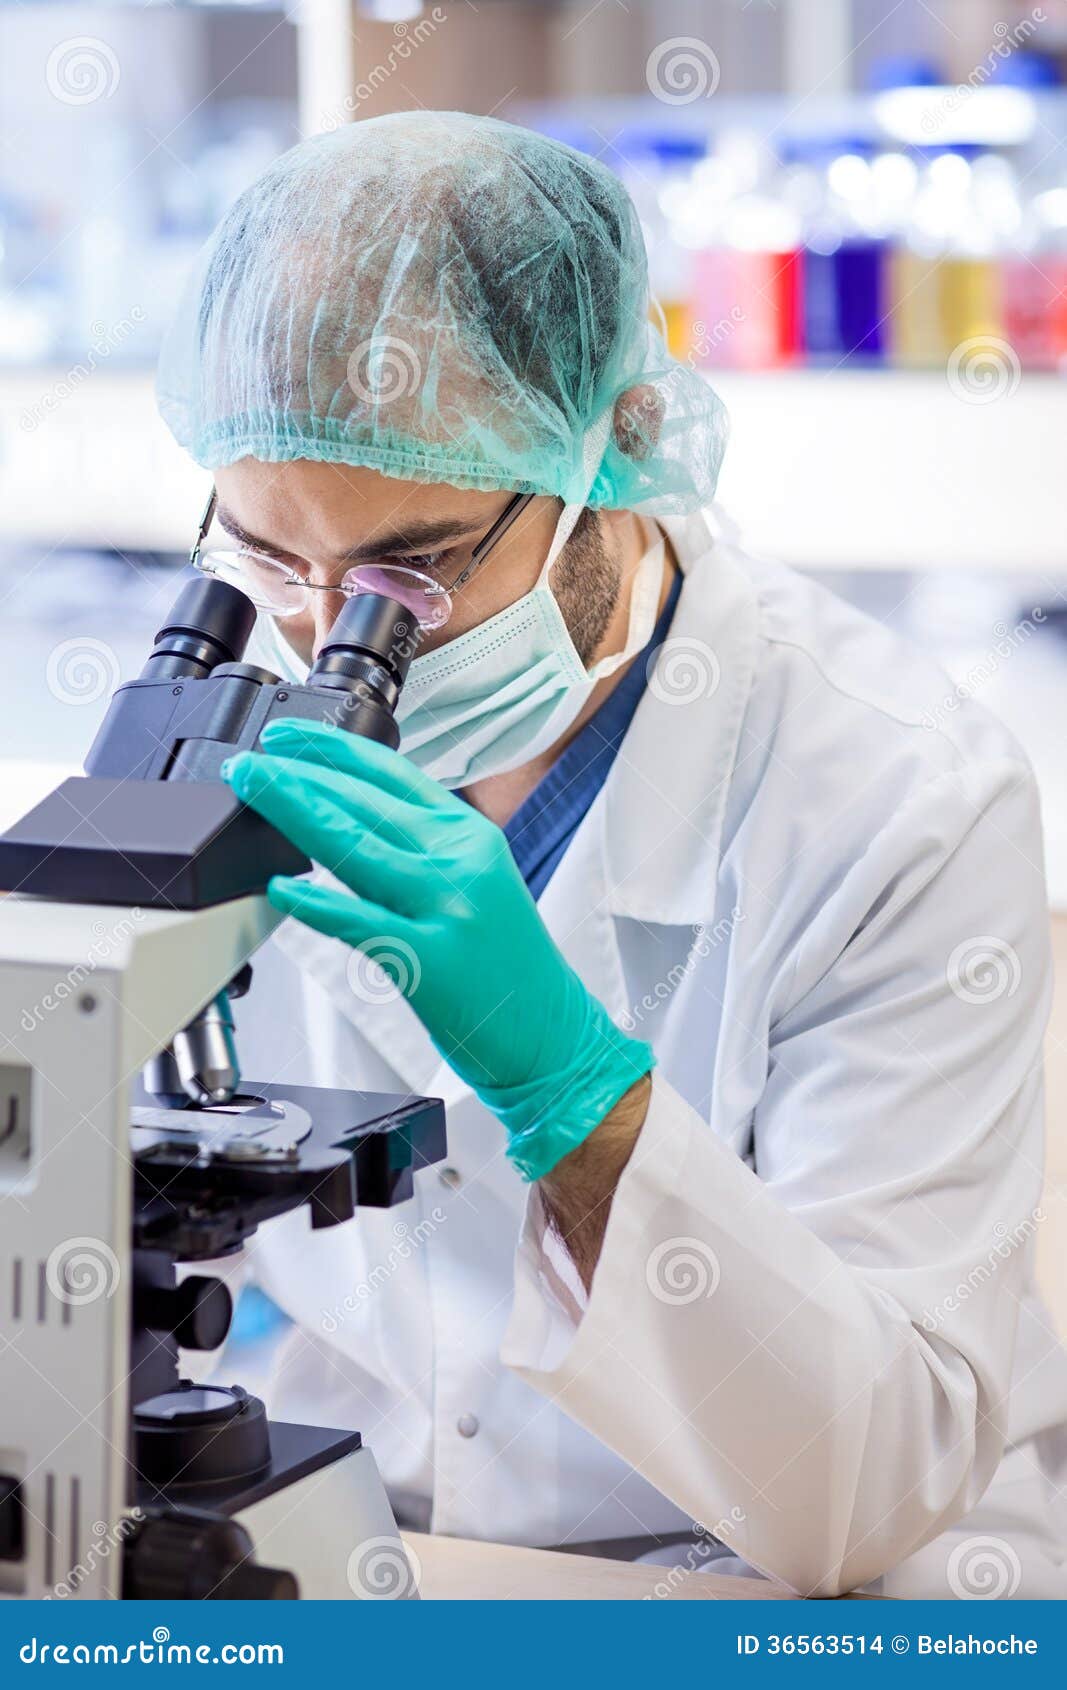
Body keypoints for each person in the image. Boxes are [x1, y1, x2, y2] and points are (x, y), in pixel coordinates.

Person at [157, 110, 1067, 1597]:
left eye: (413, 569)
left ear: (615, 449)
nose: (326, 640)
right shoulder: (226, 732)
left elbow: (869, 1485)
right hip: (385, 1542)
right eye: (268, 558)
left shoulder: (901, 792)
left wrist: (576, 1099)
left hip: (797, 1584)